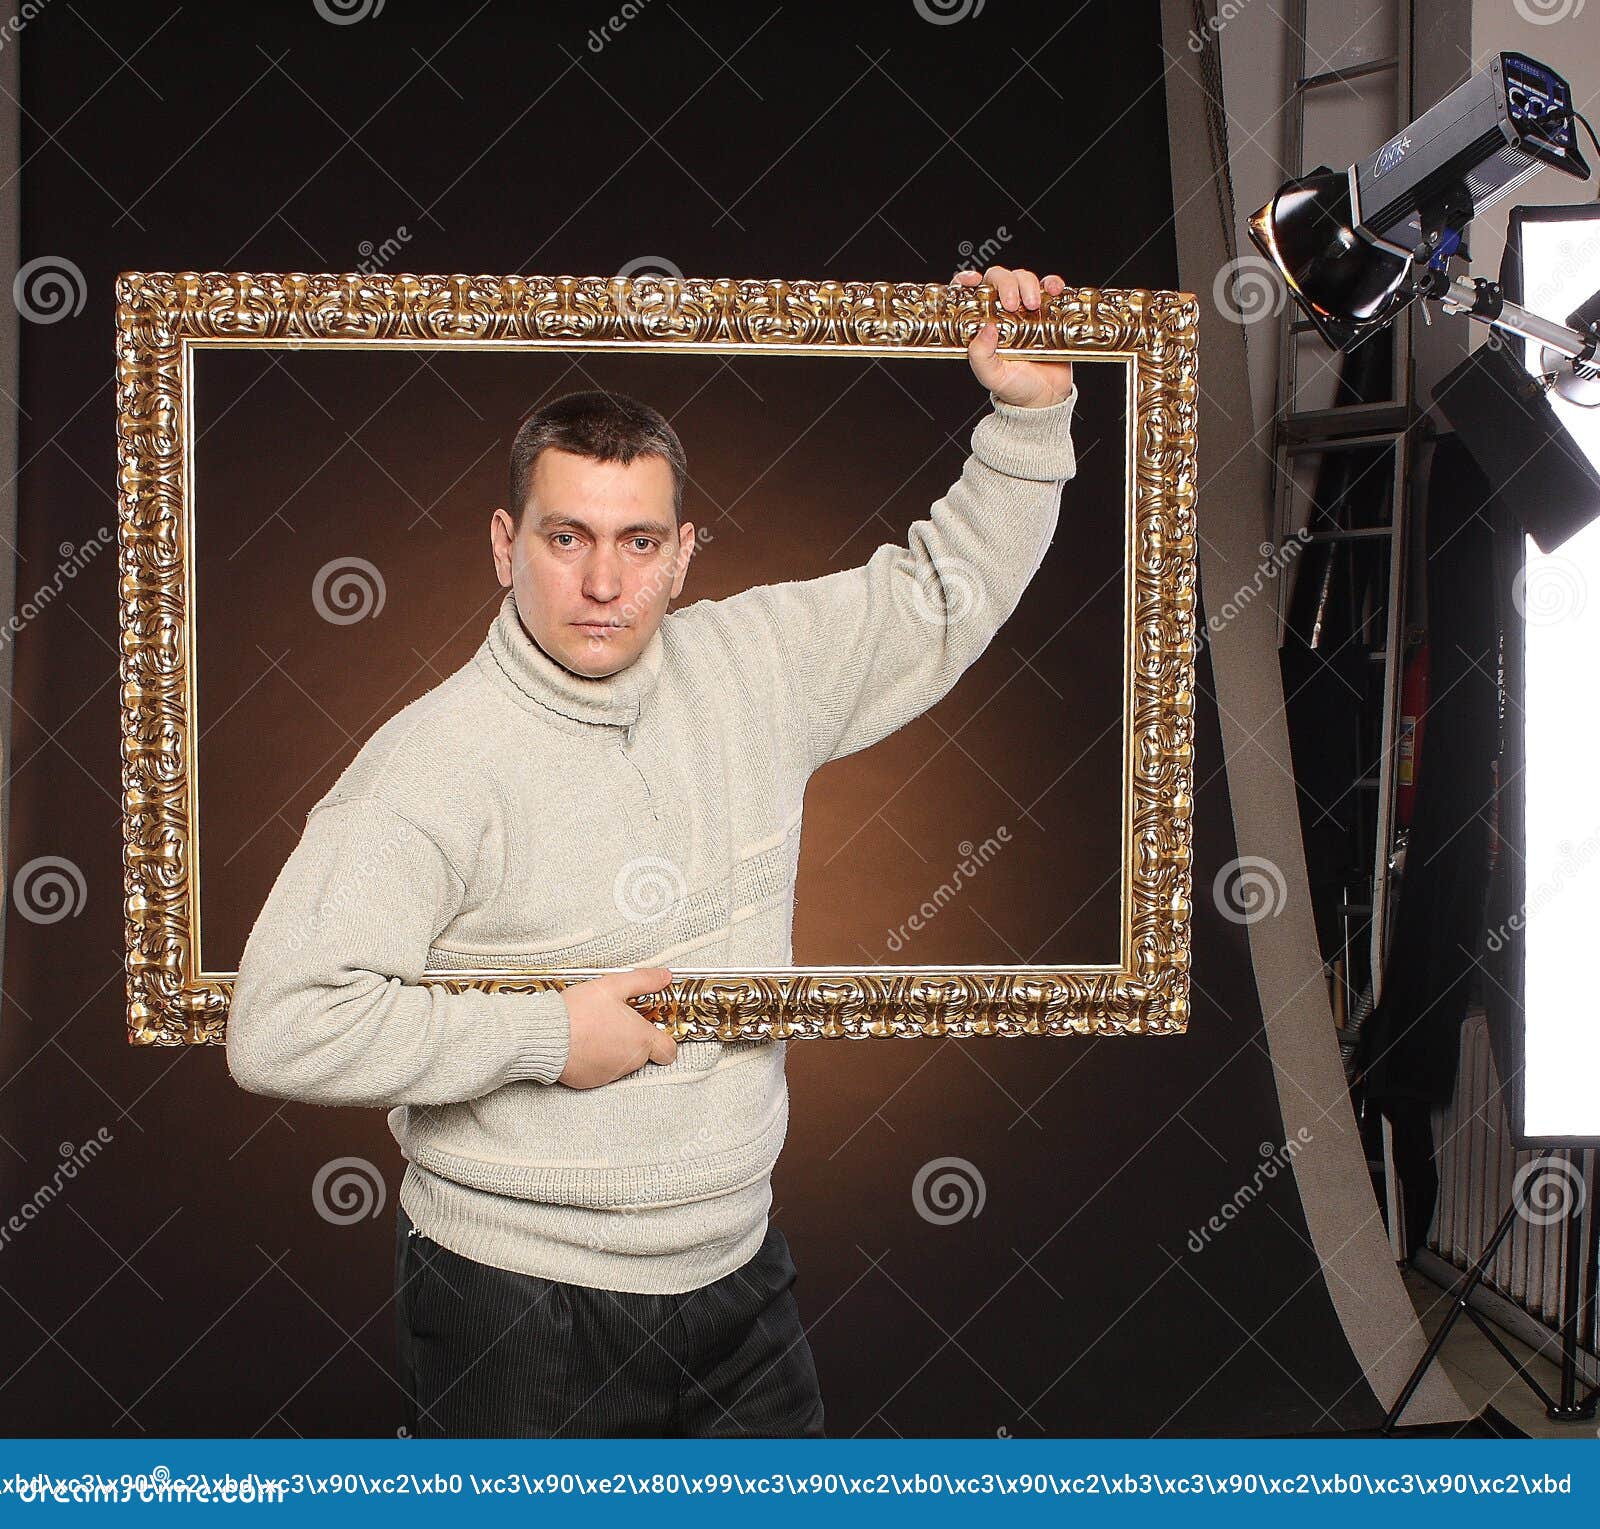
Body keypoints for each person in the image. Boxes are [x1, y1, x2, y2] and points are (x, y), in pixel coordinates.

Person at [224, 263, 1079, 1438]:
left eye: (638, 542)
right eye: (565, 535)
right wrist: (546, 1034)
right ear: (501, 541)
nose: (602, 581)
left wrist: (1027, 417)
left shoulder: (756, 665)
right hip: (514, 1295)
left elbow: (944, 592)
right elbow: (282, 1022)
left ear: (684, 554)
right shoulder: (429, 763)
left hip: (739, 1270)